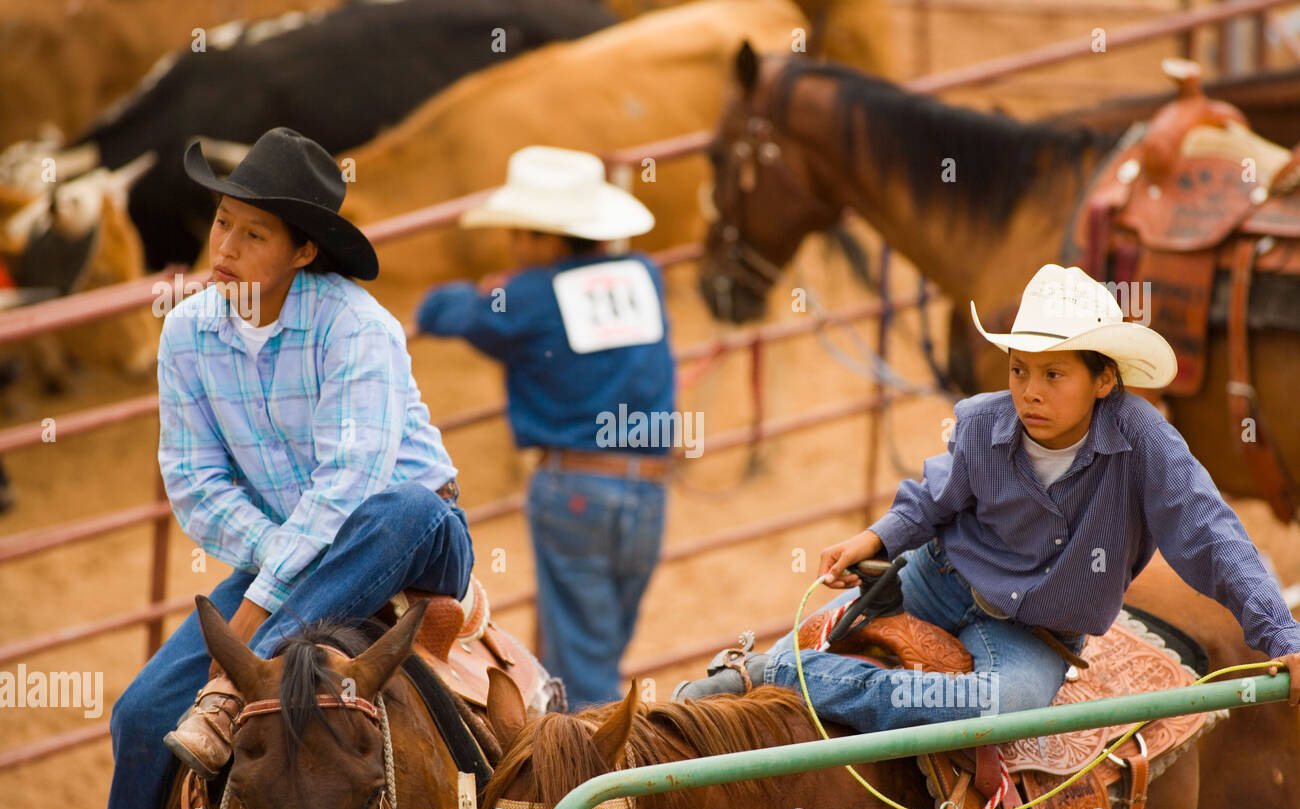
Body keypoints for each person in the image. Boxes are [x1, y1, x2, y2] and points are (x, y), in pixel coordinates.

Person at [675, 263, 1300, 725]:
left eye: (1053, 374)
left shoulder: (1143, 441)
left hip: (1035, 630)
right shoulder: (982, 421)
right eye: (1019, 369)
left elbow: (1207, 531)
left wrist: (1282, 637)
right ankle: (773, 667)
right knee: (812, 632)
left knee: (996, 709)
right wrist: (874, 537)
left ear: (1103, 378)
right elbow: (933, 500)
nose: (1029, 391)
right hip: (936, 579)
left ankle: (786, 674)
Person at [107, 127, 473, 809]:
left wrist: (252, 623)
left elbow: (354, 483)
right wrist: (279, 565)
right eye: (221, 222)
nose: (226, 248)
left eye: (254, 233)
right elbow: (195, 481)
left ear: (304, 252)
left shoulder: (356, 328)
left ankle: (236, 678)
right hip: (290, 552)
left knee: (397, 506)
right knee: (140, 716)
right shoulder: (186, 334)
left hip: (410, 535)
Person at [416, 146, 674, 710]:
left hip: (575, 488)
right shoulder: (642, 275)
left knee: (583, 671)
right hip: (649, 488)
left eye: (519, 235)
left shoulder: (527, 296)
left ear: (545, 238)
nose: (513, 247)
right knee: (599, 650)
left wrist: (490, 290)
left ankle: (594, 787)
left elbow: (438, 310)